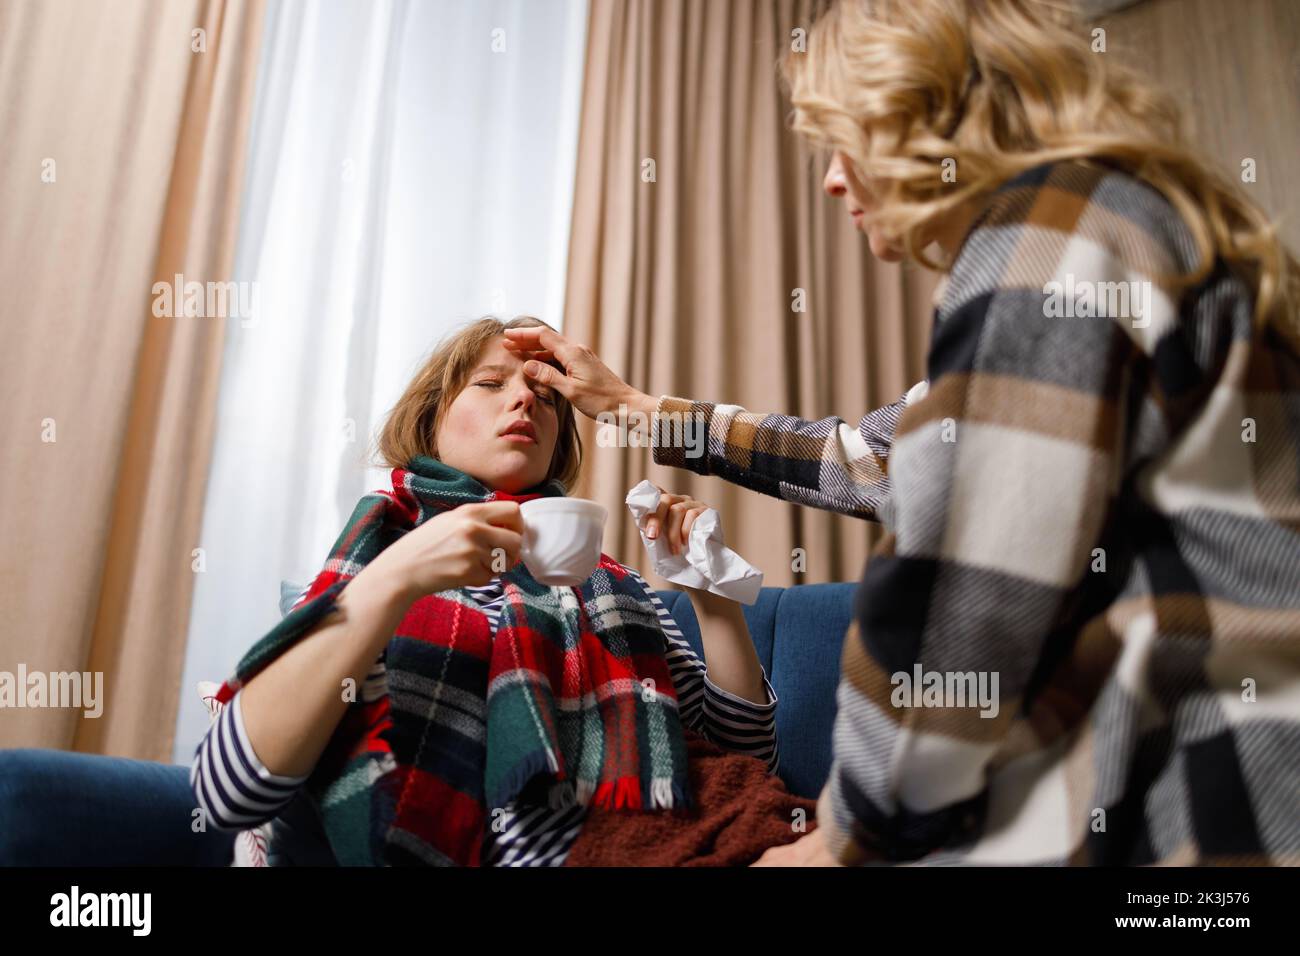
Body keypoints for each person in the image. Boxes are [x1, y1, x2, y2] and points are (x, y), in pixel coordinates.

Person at [502, 0, 1300, 865]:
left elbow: (966, 604)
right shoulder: (1097, 224)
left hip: (1200, 819)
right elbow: (872, 459)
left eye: (845, 142)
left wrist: (841, 837)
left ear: (921, 116)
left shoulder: (1047, 251)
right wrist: (636, 408)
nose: (832, 180)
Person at [190, 316, 782, 866]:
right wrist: (396, 578)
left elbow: (744, 766)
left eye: (546, 396)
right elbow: (227, 791)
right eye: (490, 384)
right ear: (430, 418)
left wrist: (713, 597)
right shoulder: (362, 572)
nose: (525, 398)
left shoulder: (616, 589)